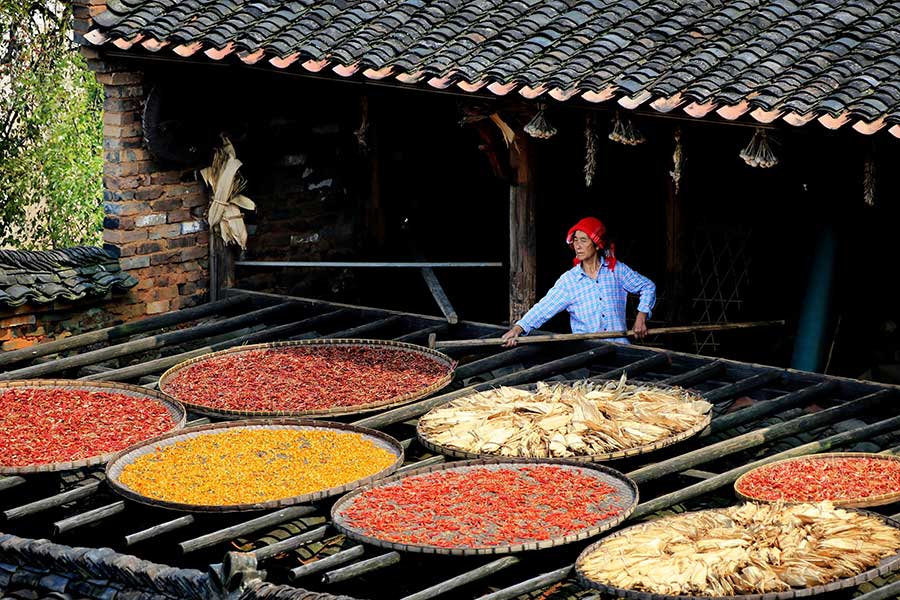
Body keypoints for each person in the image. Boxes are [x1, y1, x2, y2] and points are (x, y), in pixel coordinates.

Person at [501, 217, 656, 346]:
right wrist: (518, 329)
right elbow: (543, 308)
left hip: (620, 349)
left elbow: (648, 286)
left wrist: (641, 316)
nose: (578, 246)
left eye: (583, 240)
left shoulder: (616, 271)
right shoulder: (570, 281)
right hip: (586, 354)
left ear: (597, 245)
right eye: (575, 240)